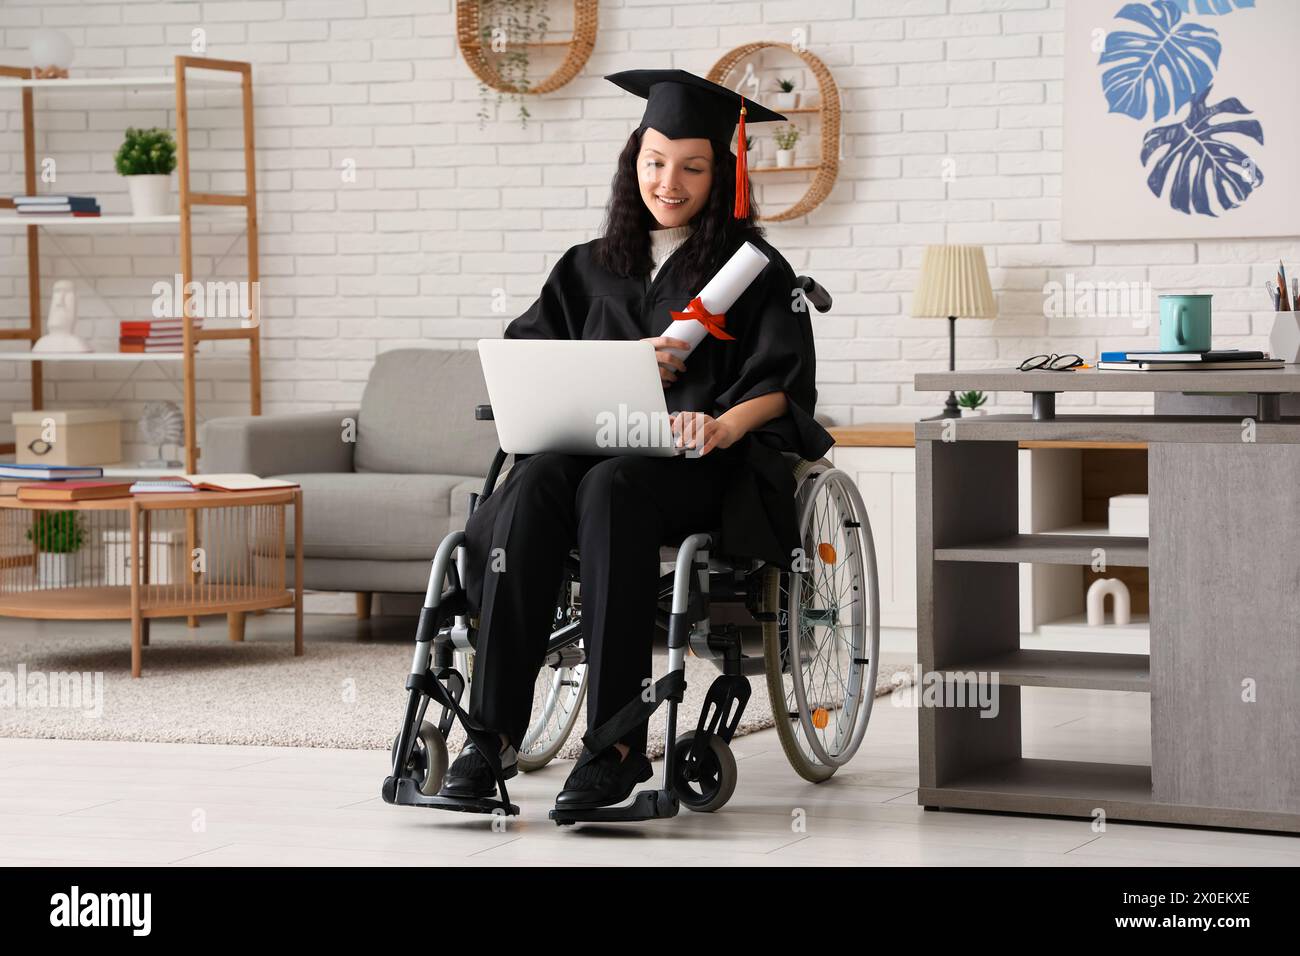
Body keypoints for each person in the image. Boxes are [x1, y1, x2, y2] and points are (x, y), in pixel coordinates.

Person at [439, 69, 834, 811]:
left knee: (612, 485)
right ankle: (488, 738)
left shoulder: (753, 271)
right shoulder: (588, 266)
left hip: (694, 469)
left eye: (691, 165)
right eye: (655, 162)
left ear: (721, 173)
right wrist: (614, 365)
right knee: (533, 486)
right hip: (587, 458)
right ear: (633, 164)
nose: (670, 181)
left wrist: (721, 423)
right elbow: (528, 359)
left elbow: (784, 383)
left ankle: (615, 745)